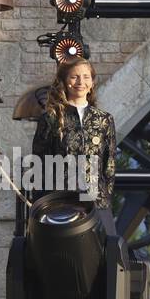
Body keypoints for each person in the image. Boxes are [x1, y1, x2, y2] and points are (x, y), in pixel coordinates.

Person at [32, 56, 116, 211]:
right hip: (59, 200)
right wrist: (39, 205)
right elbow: (39, 164)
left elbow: (109, 164)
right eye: (74, 77)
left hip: (96, 201)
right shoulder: (50, 118)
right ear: (64, 82)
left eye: (86, 77)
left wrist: (105, 198)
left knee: (110, 236)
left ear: (92, 83)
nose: (80, 82)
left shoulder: (104, 119)